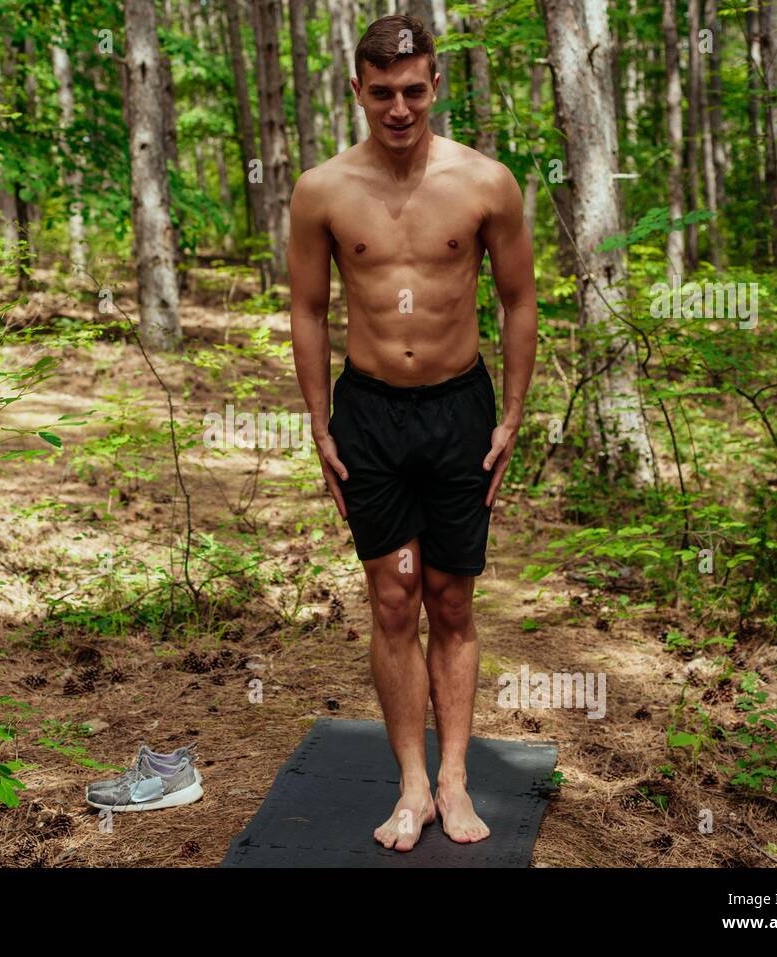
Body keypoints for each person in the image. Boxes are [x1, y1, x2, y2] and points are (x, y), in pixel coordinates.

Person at [288, 14, 538, 852]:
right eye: (383, 92)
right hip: (371, 414)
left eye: (415, 90)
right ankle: (411, 785)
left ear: (436, 86)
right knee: (393, 597)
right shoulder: (322, 188)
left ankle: (457, 777)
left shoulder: (485, 183)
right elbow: (309, 307)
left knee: (451, 597)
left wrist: (510, 414)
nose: (399, 107)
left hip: (458, 408)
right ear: (357, 89)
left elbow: (517, 300)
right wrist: (319, 419)